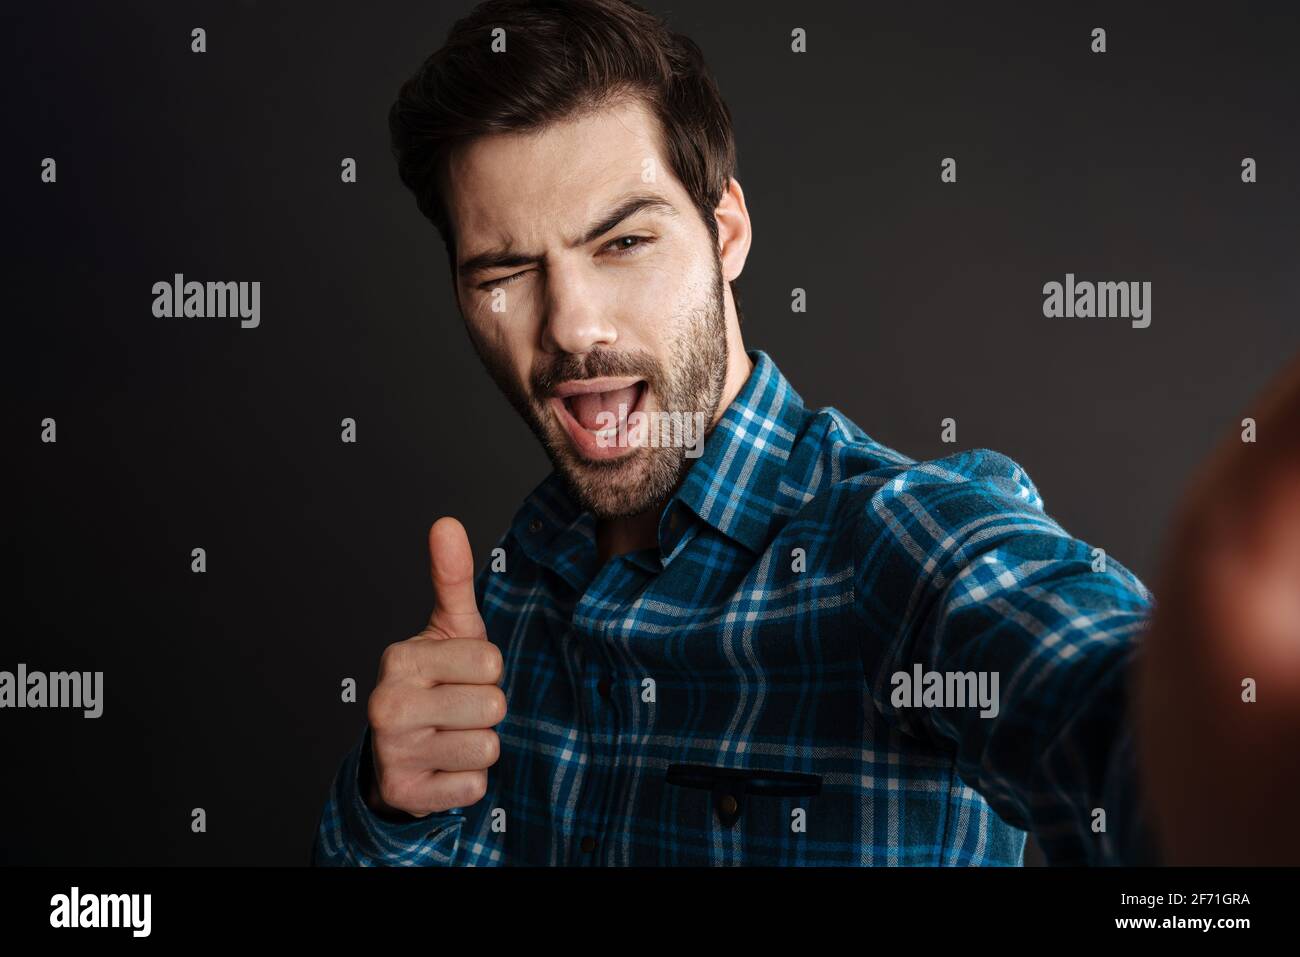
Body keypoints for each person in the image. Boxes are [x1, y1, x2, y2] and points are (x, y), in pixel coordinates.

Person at [312, 0, 1300, 866]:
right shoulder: (508, 589)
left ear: (727, 232)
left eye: (623, 242)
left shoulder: (901, 548)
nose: (571, 325)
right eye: (504, 273)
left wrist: (1229, 735)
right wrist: (393, 813)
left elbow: (1121, 740)